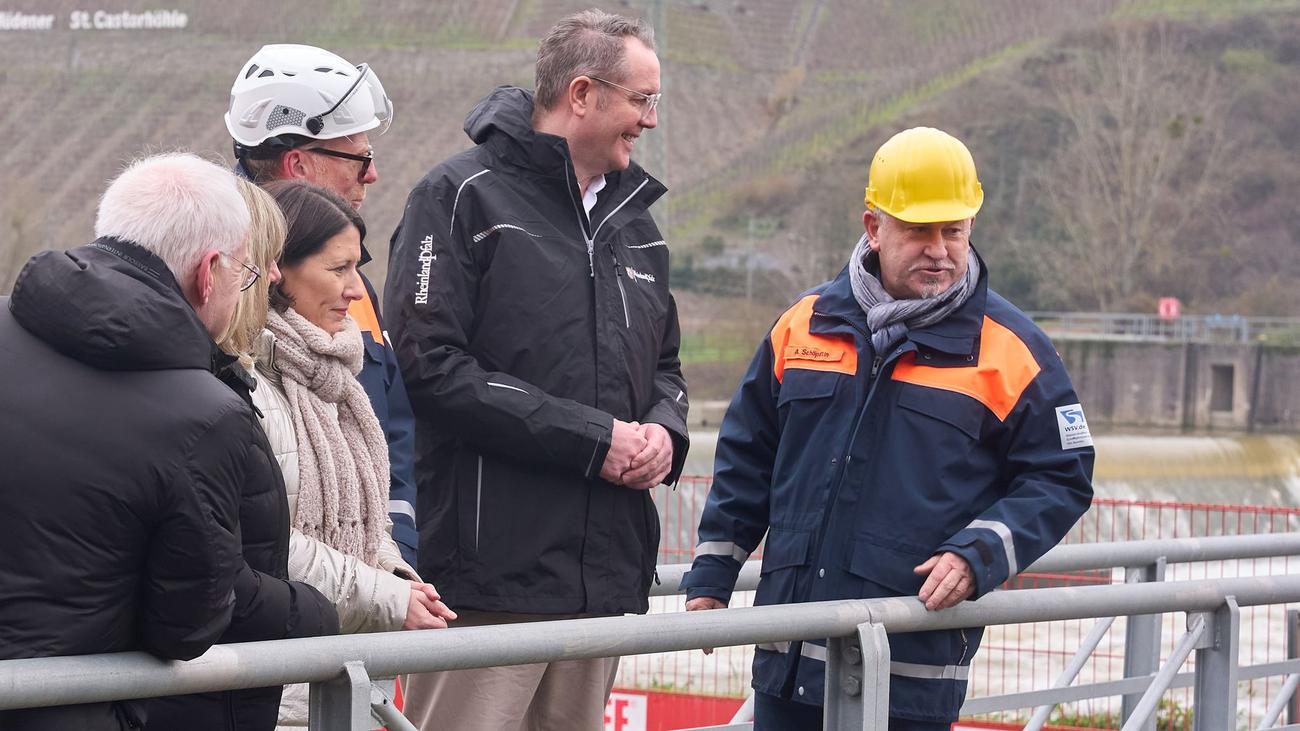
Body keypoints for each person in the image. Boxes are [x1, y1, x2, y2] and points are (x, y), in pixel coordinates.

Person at [680, 127, 1095, 730]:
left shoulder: (1013, 351)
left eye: (953, 230)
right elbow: (748, 458)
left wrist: (978, 554)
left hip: (908, 669)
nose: (940, 249)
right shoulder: (803, 326)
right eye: (919, 230)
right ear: (873, 228)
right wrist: (712, 575)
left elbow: (1062, 477)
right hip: (789, 659)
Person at [386, 9, 689, 730]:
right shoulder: (457, 196)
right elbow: (429, 368)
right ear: (581, 94)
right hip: (490, 583)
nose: (650, 120)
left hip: (602, 580)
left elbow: (668, 367)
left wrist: (664, 432)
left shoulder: (638, 225)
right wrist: (596, 439)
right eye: (641, 100)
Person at [0, 153, 336, 731]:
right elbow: (183, 624)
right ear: (208, 273)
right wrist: (312, 612)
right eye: (245, 274)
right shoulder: (204, 414)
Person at [251, 180, 456, 729]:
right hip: (275, 684)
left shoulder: (341, 382)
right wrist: (387, 599)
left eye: (357, 270)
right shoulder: (245, 385)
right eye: (337, 270)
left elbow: (363, 519)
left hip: (346, 670)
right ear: (278, 271)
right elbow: (263, 541)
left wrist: (395, 572)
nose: (356, 291)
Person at [226, 43, 420, 567]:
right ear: (298, 165)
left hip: (372, 581)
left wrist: (395, 555)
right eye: (360, 159)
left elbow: (390, 431)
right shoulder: (215, 288)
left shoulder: (353, 287)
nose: (372, 176)